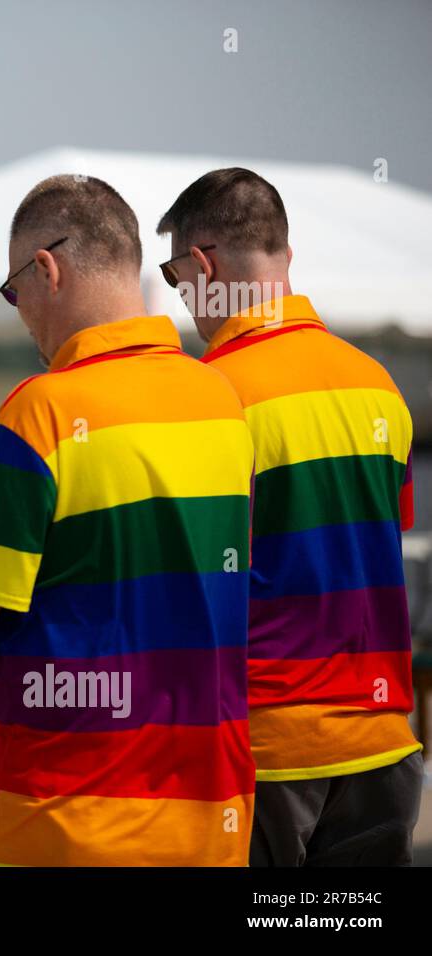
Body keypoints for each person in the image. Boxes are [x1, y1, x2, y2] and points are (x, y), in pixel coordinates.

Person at [0, 175, 257, 866]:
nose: (19, 312)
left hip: (76, 820)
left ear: (45, 269)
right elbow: (146, 564)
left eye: (13, 289)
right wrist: (7, 559)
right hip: (215, 812)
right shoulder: (220, 398)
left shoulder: (42, 411)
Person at [156, 168, 423, 866]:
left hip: (267, 752)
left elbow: (191, 588)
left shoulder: (213, 395)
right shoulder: (379, 385)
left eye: (176, 277)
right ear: (287, 258)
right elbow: (381, 548)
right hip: (386, 747)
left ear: (203, 264)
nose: (185, 299)